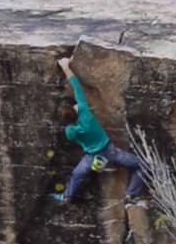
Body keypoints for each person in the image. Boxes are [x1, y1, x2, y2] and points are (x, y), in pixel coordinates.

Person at [54, 56, 146, 204]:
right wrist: (66, 66)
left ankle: (66, 196)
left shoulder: (70, 131)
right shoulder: (85, 113)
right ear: (75, 110)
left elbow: (71, 132)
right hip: (109, 151)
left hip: (91, 156)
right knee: (141, 165)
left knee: (77, 174)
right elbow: (77, 86)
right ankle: (131, 194)